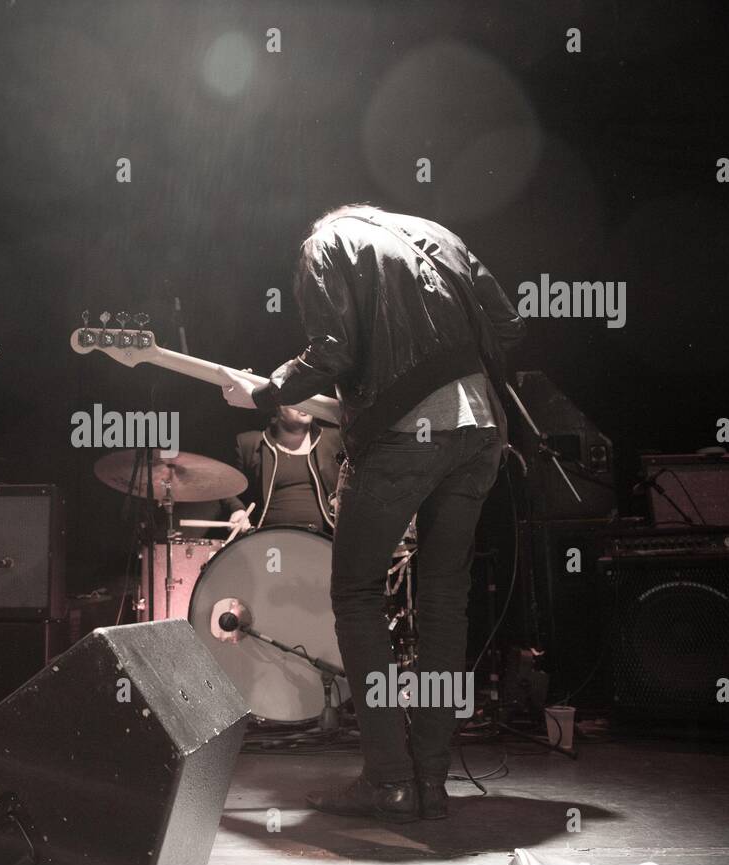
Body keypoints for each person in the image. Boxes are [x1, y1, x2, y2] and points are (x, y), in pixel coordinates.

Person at [220, 204, 525, 822]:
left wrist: (267, 391)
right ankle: (432, 783)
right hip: (480, 427)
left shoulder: (323, 244)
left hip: (403, 437)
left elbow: (329, 352)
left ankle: (389, 779)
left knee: (357, 594)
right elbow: (510, 327)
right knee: (445, 602)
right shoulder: (440, 233)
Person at [221, 406, 342, 536]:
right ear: (277, 406)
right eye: (296, 398)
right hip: (267, 544)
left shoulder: (335, 439)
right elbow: (226, 486)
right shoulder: (250, 443)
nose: (304, 404)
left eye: (307, 396)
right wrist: (237, 509)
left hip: (324, 541)